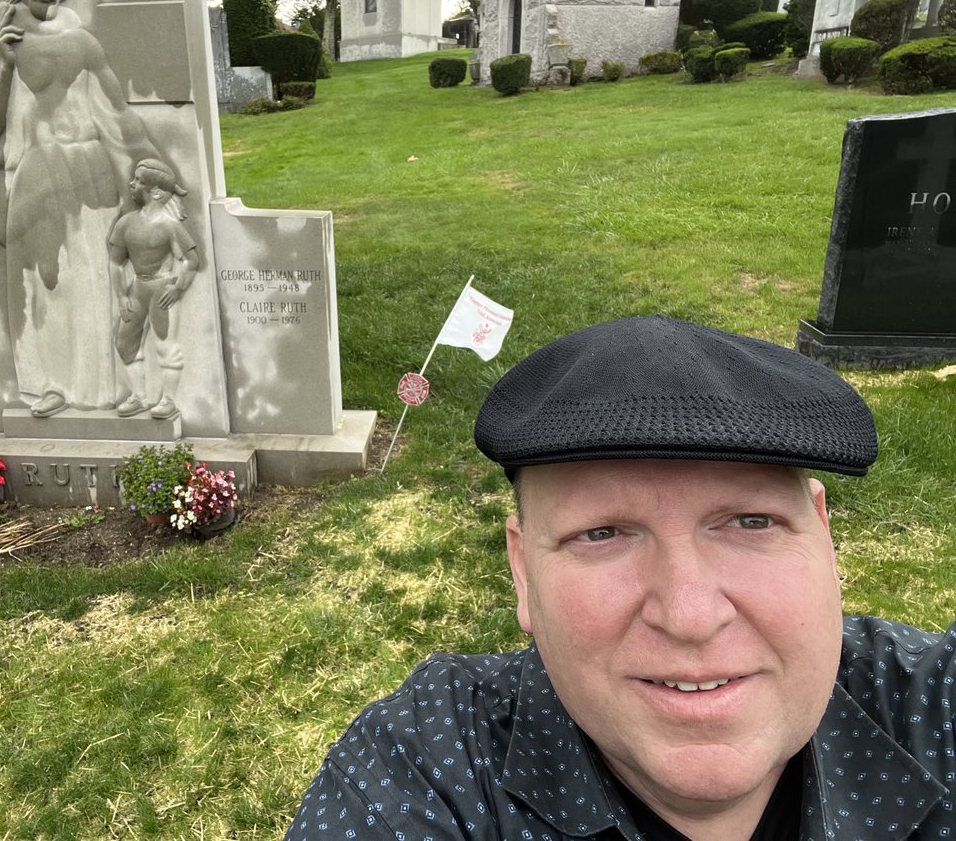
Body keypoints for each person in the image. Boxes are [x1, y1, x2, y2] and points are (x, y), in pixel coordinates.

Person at [285, 316, 955, 840]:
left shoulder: (935, 707)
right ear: (522, 570)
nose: (691, 616)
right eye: (601, 533)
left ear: (825, 538)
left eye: (751, 522)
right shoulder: (424, 768)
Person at [0, 0, 153, 417]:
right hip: (37, 176)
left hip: (90, 174)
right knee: (45, 285)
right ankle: (50, 384)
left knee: (98, 280)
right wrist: (5, 66)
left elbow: (119, 116)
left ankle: (113, 385)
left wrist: (151, 173)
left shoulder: (82, 41)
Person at [109, 159, 200, 420]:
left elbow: (191, 260)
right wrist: (121, 295)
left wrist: (178, 288)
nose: (131, 184)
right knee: (124, 342)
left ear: (156, 192)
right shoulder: (125, 223)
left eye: (138, 181)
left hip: (162, 290)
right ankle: (139, 396)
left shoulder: (170, 225)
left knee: (165, 346)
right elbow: (116, 263)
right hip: (137, 289)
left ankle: (168, 400)